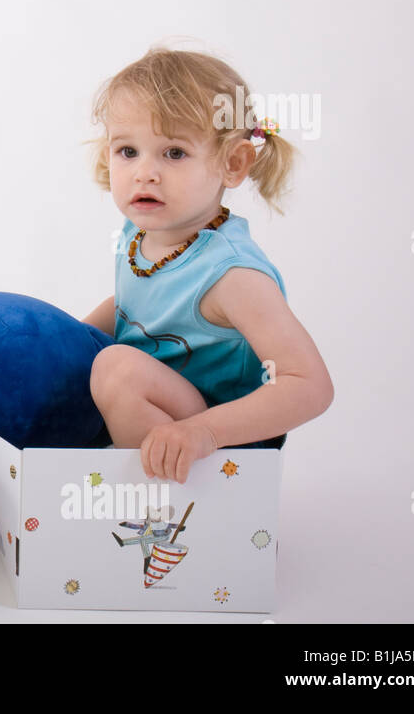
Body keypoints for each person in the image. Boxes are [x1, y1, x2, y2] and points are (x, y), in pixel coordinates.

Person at [83, 48, 333, 481]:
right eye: (128, 151)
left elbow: (310, 385)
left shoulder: (232, 275)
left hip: (225, 442)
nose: (145, 173)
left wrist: (202, 433)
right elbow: (133, 305)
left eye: (174, 153)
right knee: (94, 362)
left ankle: (161, 504)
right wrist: (74, 343)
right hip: (171, 412)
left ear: (232, 164)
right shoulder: (141, 233)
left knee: (115, 369)